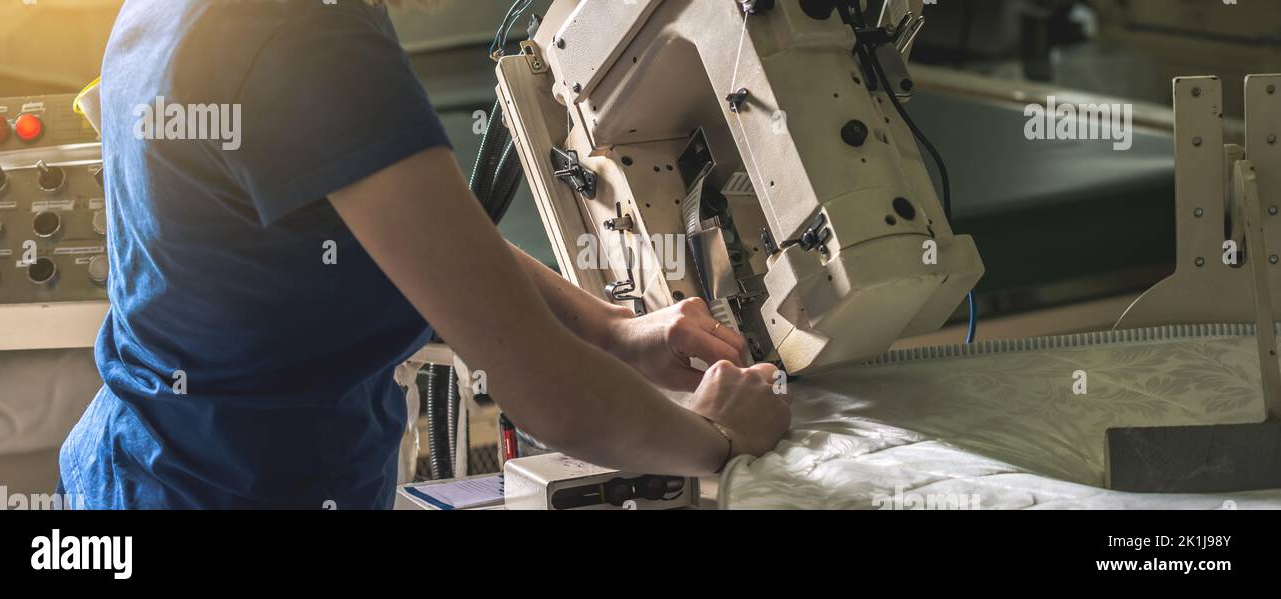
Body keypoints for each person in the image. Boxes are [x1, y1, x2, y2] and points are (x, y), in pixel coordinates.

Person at [58, 0, 790, 509]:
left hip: (134, 469)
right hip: (228, 487)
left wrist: (613, 330)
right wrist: (721, 438)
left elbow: (425, 240)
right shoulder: (305, 37)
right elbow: (552, 393)